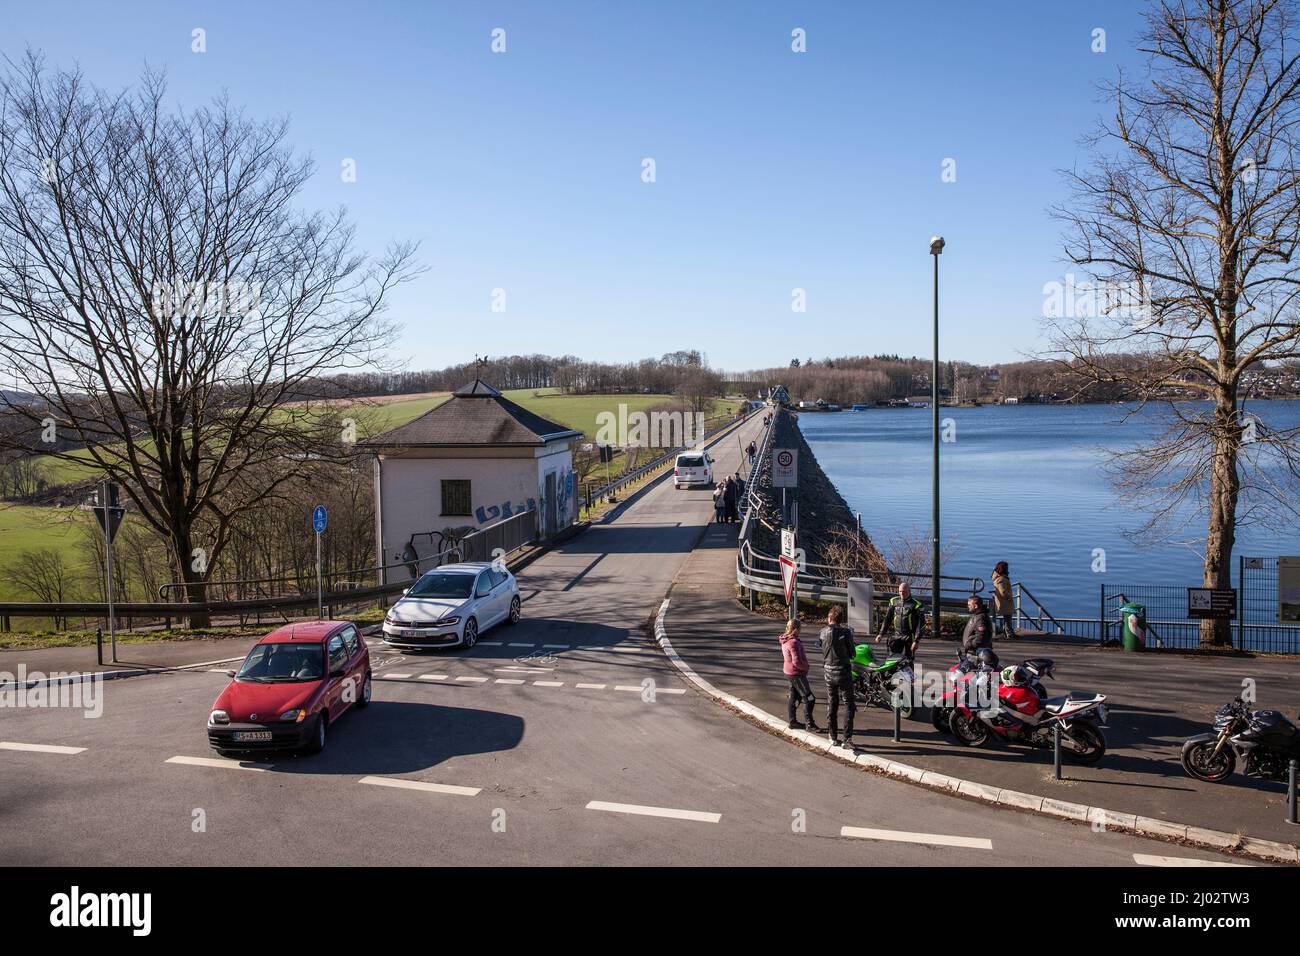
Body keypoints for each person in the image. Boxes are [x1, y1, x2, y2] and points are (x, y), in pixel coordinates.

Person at [820, 605, 857, 748]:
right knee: (849, 704)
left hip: (828, 672)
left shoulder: (822, 632)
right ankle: (847, 739)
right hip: (843, 672)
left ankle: (832, 736)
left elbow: (821, 647)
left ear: (830, 618)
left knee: (832, 703)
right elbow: (853, 653)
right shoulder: (846, 632)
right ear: (840, 620)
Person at [780, 619, 820, 731]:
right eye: (800, 629)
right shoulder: (794, 642)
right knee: (810, 698)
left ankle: (793, 721)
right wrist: (806, 667)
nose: (800, 631)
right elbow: (797, 662)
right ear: (796, 629)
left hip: (789, 672)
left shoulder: (785, 639)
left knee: (794, 697)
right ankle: (810, 724)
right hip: (796, 674)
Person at [877, 581, 925, 657]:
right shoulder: (893, 601)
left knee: (909, 660)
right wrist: (881, 634)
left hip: (910, 636)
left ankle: (909, 668)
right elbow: (887, 619)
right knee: (893, 659)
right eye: (900, 591)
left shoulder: (917, 604)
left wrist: (916, 640)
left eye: (904, 591)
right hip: (897, 634)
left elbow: (921, 624)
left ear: (909, 591)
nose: (902, 593)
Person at [991, 561, 1016, 637]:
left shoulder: (998, 578)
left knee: (1007, 618)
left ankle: (1007, 633)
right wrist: (1009, 598)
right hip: (1005, 602)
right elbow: (1003, 591)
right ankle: (1009, 634)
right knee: (1008, 618)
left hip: (1002, 602)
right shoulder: (1001, 579)